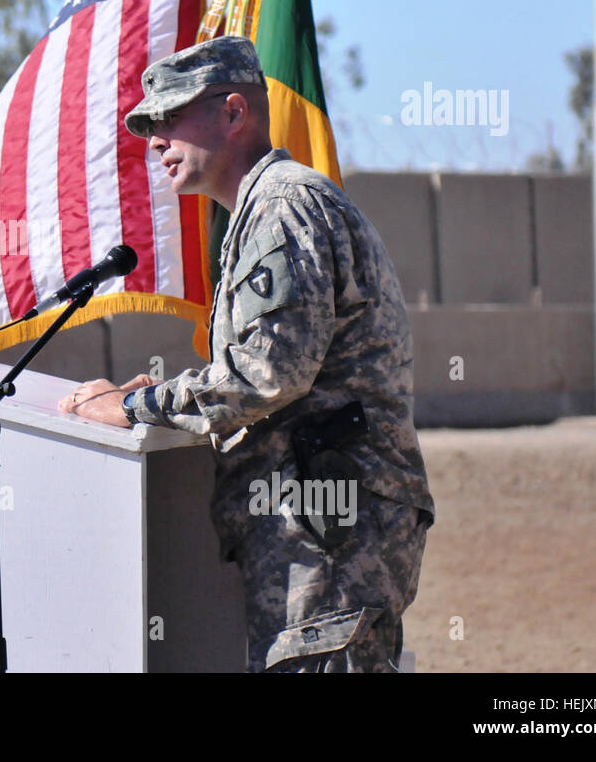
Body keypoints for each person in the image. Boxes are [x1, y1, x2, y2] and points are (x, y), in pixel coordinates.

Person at [59, 35, 435, 673]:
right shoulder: (259, 211)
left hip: (331, 535)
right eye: (150, 125)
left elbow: (268, 373)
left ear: (234, 113)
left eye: (172, 118)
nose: (155, 140)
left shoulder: (284, 205)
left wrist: (140, 406)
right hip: (313, 531)